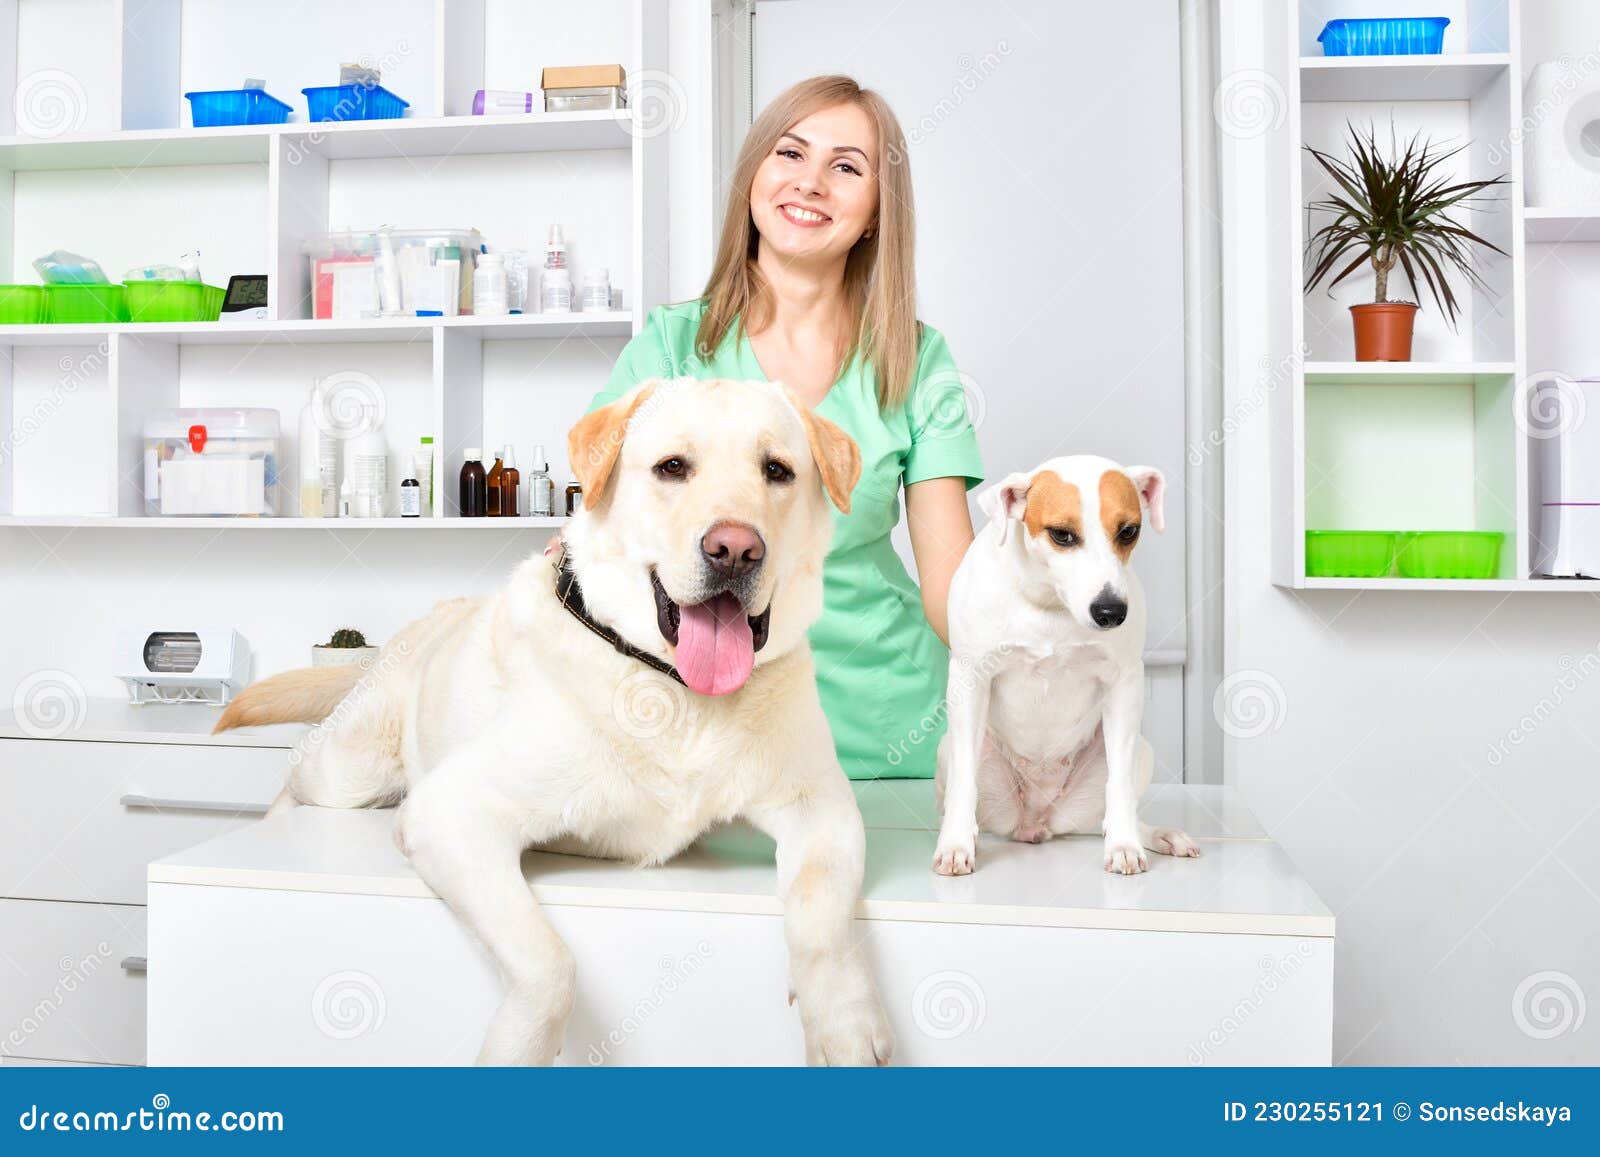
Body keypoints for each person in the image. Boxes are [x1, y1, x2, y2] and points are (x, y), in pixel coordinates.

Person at [584, 75, 983, 780]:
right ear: (753, 178)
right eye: (790, 153)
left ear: (877, 214)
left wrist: (1037, 682)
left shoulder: (917, 360)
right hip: (697, 748)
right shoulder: (670, 348)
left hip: (888, 741)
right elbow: (597, 531)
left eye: (847, 167)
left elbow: (952, 584)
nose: (811, 182)